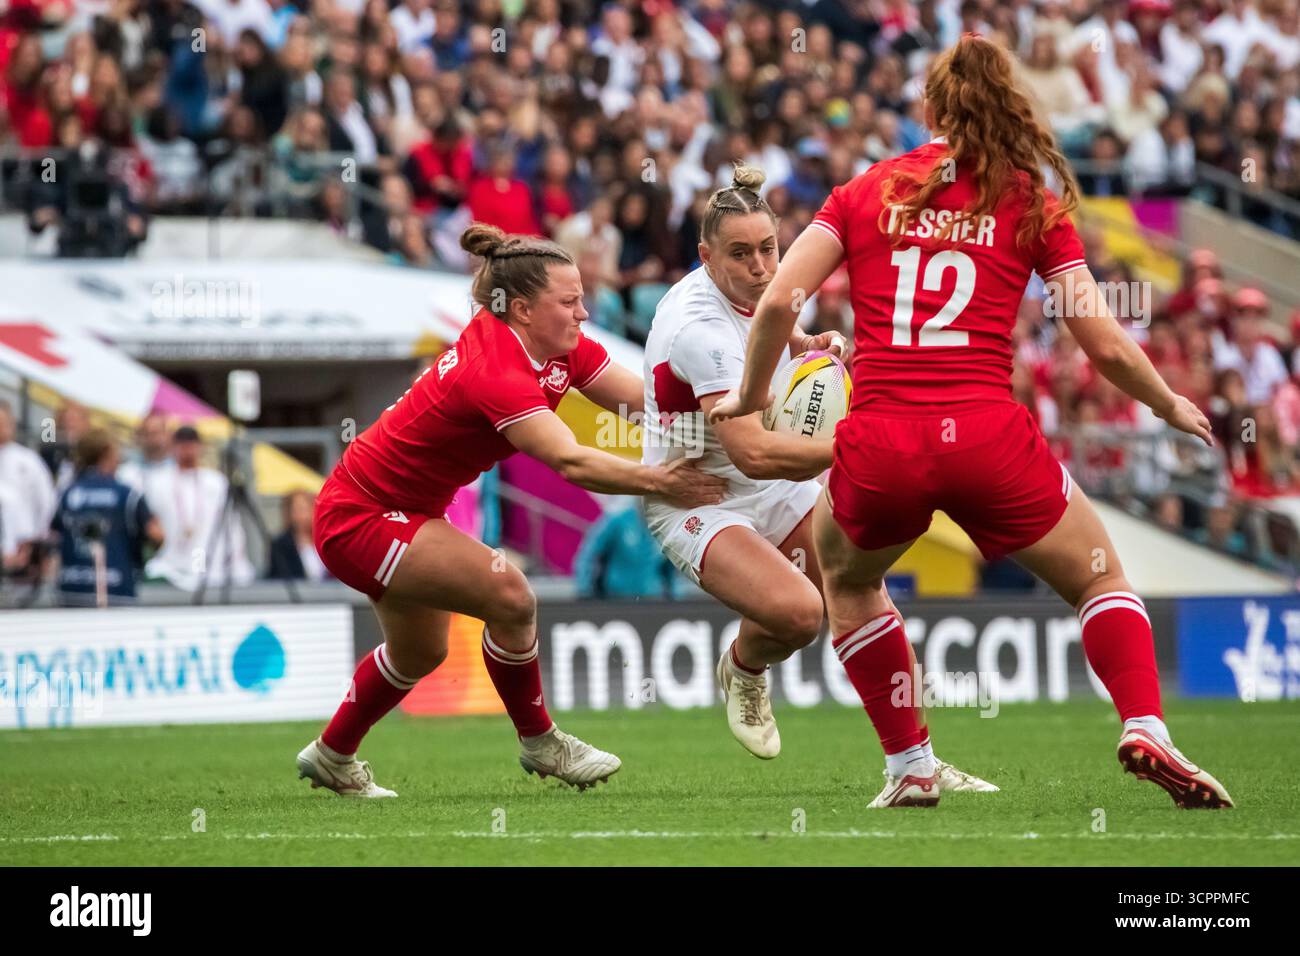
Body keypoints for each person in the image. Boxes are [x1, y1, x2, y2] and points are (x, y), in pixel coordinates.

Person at [711, 35, 1232, 810]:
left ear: (928, 107)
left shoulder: (864, 191)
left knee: (850, 586)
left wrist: (748, 400)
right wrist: (1165, 403)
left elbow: (781, 302)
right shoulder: (1029, 197)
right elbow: (1101, 336)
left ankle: (911, 766)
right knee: (1100, 579)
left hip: (883, 440)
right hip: (987, 434)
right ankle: (1146, 723)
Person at [297, 223, 727, 798]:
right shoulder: (496, 369)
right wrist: (660, 480)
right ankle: (541, 742)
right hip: (360, 515)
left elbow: (645, 406)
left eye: (581, 299)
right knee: (511, 594)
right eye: (569, 302)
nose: (584, 312)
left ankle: (331, 754)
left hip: (405, 511)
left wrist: (730, 416)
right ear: (522, 309)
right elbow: (570, 461)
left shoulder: (558, 349)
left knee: (420, 652)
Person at [641, 164, 993, 793]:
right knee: (800, 614)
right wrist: (856, 443)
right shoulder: (697, 330)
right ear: (704, 255)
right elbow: (752, 454)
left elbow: (771, 330)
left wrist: (808, 346)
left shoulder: (763, 296)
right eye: (740, 254)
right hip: (700, 496)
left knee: (860, 584)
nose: (760, 266)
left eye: (769, 249)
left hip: (775, 483)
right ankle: (744, 666)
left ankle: (916, 765)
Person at [50, 429, 164, 606]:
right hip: (117, 588)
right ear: (106, 454)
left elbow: (53, 536)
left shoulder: (67, 493)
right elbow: (156, 536)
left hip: (71, 588)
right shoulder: (127, 495)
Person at [143, 425, 257, 592]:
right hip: (172, 557)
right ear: (173, 447)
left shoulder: (216, 482)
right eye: (182, 445)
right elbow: (150, 521)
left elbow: (231, 523)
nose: (187, 450)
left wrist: (235, 557)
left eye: (191, 445)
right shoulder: (158, 481)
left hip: (207, 558)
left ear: (200, 447)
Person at [0, 399, 56, 575]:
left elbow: (46, 502)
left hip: (25, 549)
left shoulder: (28, 460)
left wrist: (37, 542)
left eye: (5, 422)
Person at [268, 489, 330, 581]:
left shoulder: (325, 540)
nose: (302, 515)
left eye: (305, 509)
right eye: (297, 510)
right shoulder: (281, 545)